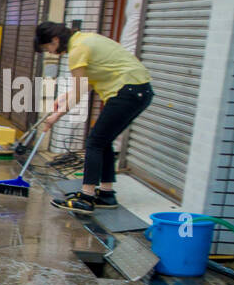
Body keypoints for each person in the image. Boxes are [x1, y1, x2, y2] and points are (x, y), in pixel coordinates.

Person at [35, 21, 153, 214]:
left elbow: (80, 90)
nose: (49, 51)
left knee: (94, 142)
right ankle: (106, 194)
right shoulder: (85, 39)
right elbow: (88, 82)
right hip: (137, 91)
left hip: (128, 92)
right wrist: (64, 98)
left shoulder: (77, 50)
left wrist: (56, 116)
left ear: (55, 40)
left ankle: (86, 197)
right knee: (103, 141)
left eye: (47, 46)